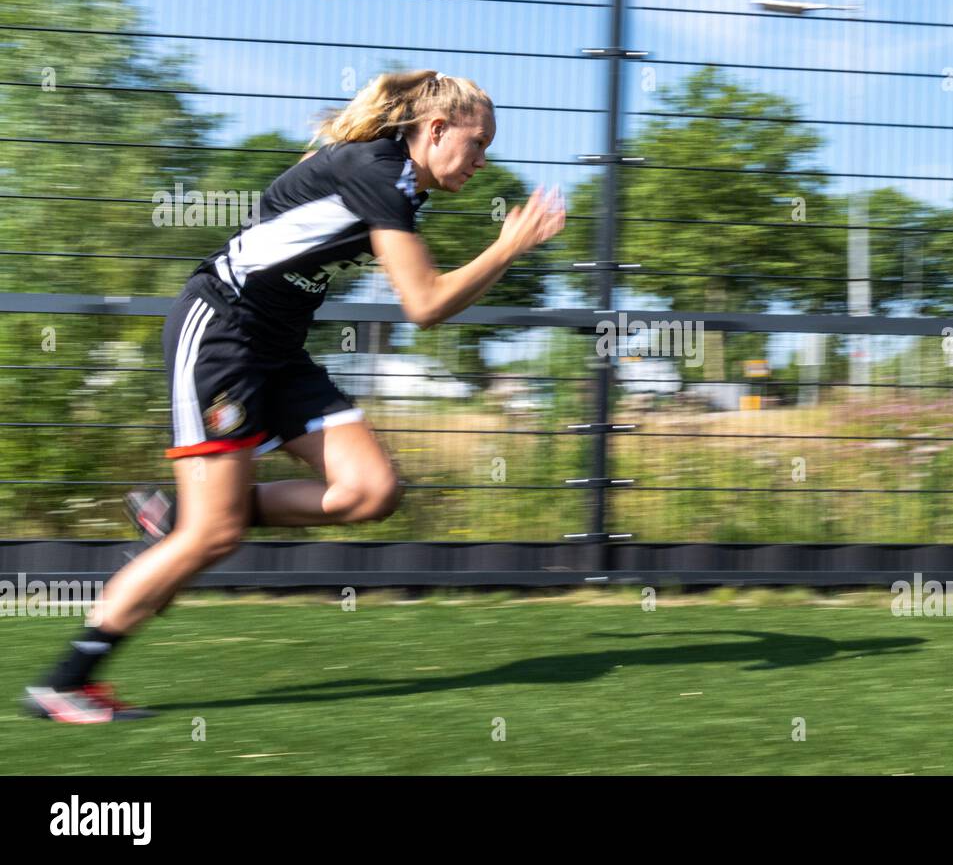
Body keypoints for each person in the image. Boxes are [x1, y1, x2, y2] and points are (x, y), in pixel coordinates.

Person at [22, 69, 566, 722]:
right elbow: (424, 305)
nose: (482, 160)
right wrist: (507, 247)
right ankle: (67, 682)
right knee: (212, 536)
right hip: (222, 334)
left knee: (371, 490)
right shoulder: (378, 170)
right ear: (436, 129)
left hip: (279, 351)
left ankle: (179, 516)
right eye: (477, 143)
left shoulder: (394, 179)